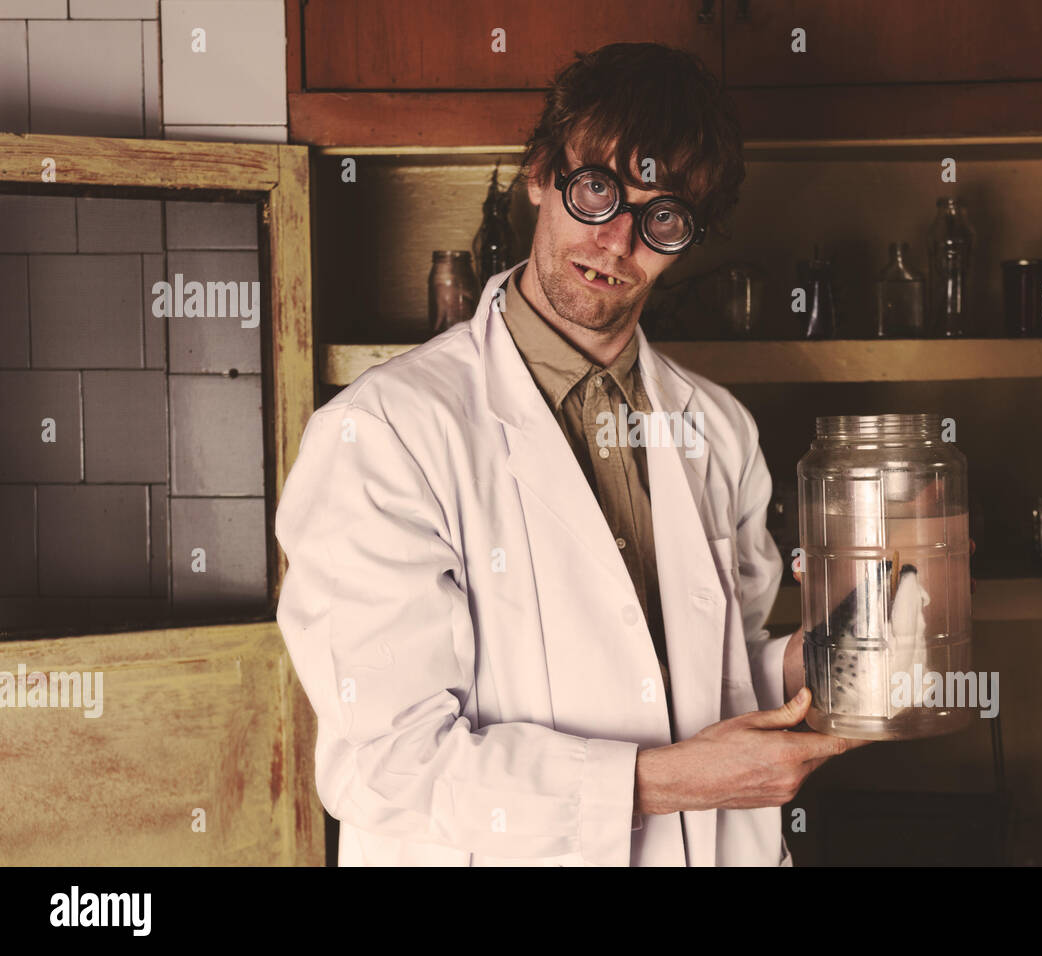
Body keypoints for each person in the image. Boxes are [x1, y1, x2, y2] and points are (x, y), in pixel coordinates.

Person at [275, 42, 863, 867]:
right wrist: (669, 784)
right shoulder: (384, 432)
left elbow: (723, 681)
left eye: (663, 217)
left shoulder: (718, 428)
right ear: (541, 175)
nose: (619, 242)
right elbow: (387, 766)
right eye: (599, 191)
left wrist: (832, 647)